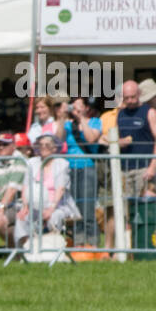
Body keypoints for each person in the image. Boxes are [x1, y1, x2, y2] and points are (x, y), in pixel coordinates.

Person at [16, 134, 79, 246]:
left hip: (57, 205)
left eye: (47, 145)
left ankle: (51, 248)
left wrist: (51, 209)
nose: (43, 147)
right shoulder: (32, 163)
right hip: (33, 205)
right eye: (41, 145)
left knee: (54, 216)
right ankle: (26, 249)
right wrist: (25, 206)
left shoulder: (61, 164)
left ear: (55, 148)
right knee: (22, 217)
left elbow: (60, 188)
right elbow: (26, 186)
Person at [107, 79, 156, 198]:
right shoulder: (120, 114)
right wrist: (119, 142)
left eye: (133, 97)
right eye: (126, 98)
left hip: (143, 169)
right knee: (125, 207)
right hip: (124, 169)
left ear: (139, 94)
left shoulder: (149, 112)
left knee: (143, 207)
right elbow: (115, 138)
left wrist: (153, 166)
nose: (130, 101)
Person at [61, 97, 102, 248]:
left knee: (87, 207)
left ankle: (93, 243)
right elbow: (58, 139)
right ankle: (78, 244)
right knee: (74, 209)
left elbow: (91, 138)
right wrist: (61, 117)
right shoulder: (67, 125)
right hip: (69, 168)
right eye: (74, 107)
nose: (76, 110)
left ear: (86, 108)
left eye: (80, 107)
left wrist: (81, 118)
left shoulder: (94, 122)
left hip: (87, 167)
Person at [0, 133, 27, 247]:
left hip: (16, 204)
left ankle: (13, 249)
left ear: (13, 146)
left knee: (2, 220)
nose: (0, 147)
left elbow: (12, 190)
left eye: (4, 144)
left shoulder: (20, 161)